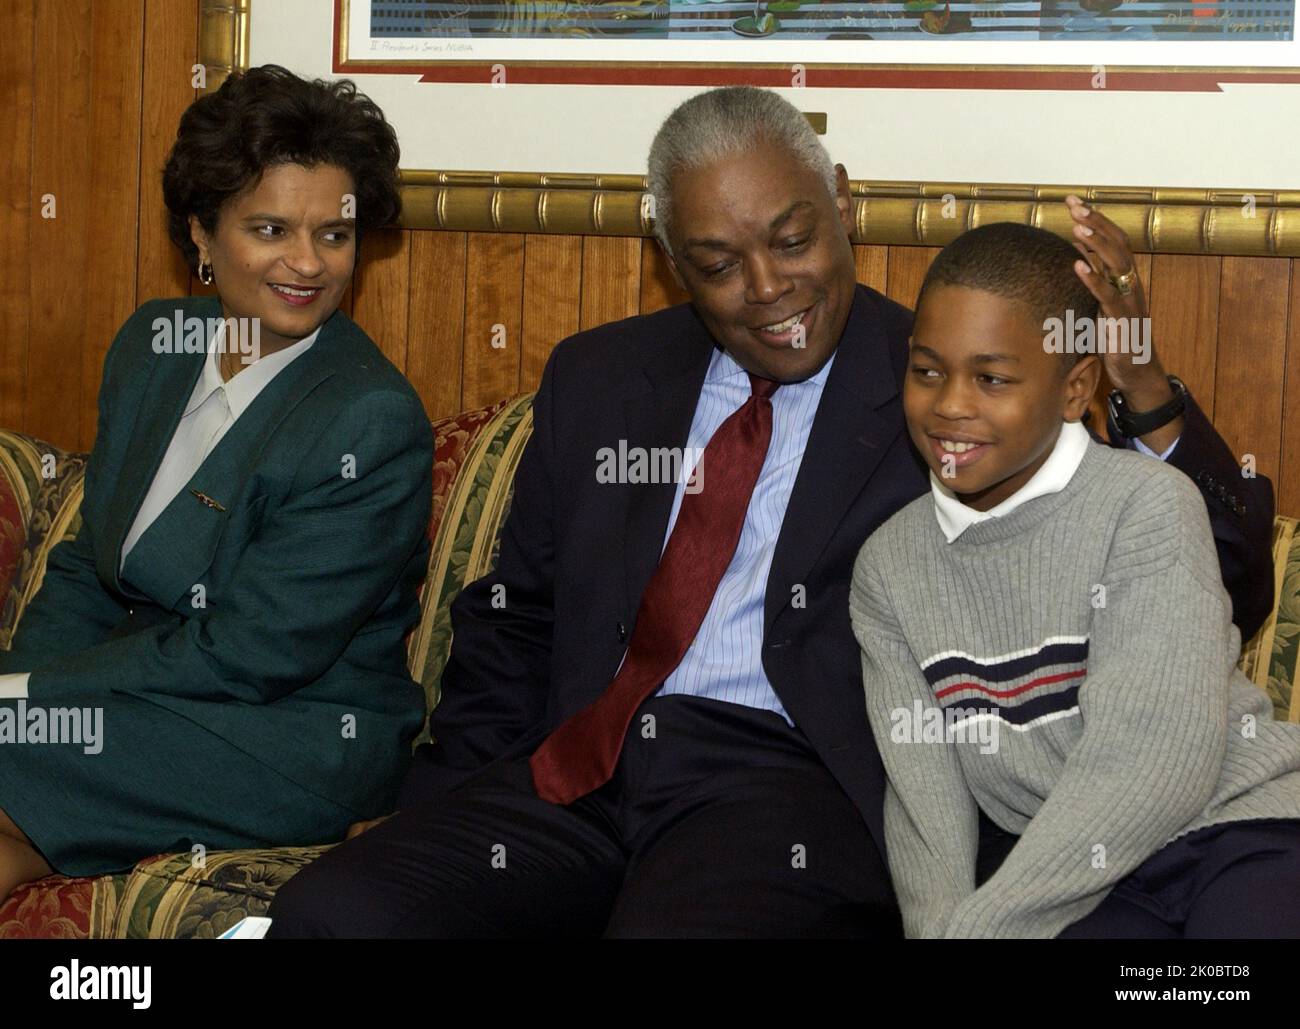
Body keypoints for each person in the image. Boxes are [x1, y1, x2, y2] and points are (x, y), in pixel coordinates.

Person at [268, 86, 1274, 938]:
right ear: (669, 256)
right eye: (717, 262)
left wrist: (1145, 392)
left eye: (792, 240)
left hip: (795, 787)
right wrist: (434, 809)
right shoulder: (603, 380)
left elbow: (1199, 572)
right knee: (335, 915)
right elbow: (519, 620)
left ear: (840, 202)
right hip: (587, 767)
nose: (765, 289)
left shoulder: (941, 383)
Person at [0, 65, 433, 901]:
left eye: (335, 235)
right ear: (200, 233)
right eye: (271, 229)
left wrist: (31, 699)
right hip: (154, 690)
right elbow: (91, 564)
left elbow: (250, 655)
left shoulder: (368, 419)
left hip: (290, 733)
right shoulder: (151, 345)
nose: (307, 263)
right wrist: (17, 680)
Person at [849, 221, 1300, 938]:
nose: (951, 405)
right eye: (927, 370)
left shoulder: (1144, 504)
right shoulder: (889, 568)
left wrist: (984, 929)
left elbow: (1154, 767)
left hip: (1238, 832)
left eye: (992, 378)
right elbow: (924, 802)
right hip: (1080, 880)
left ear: (1075, 388)